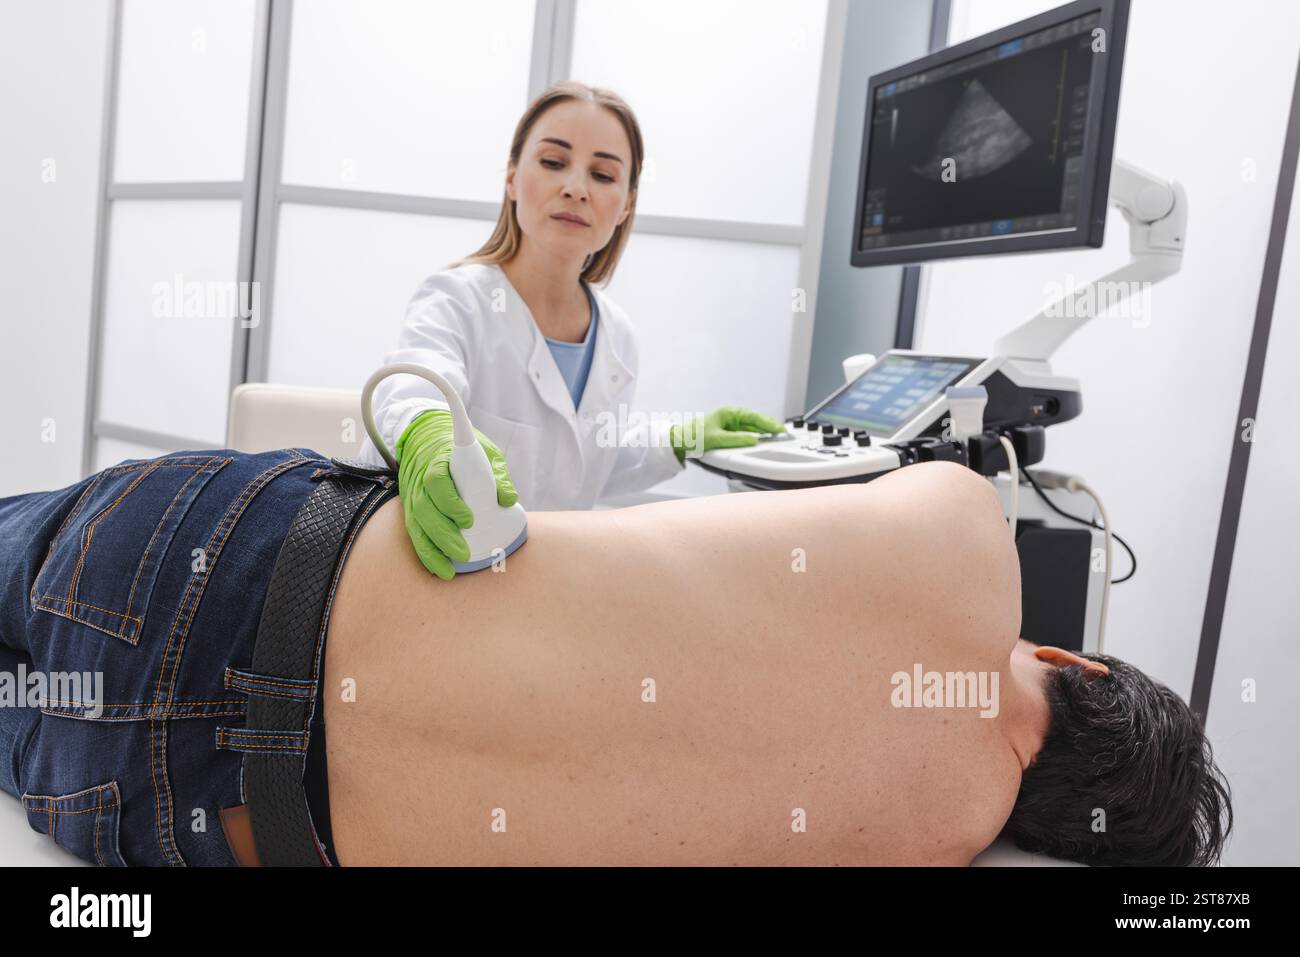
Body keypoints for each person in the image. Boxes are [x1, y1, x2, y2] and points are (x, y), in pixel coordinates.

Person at [0, 450, 1231, 866]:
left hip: (220, 557)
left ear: (1082, 663)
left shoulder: (964, 530)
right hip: (194, 811)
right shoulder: (925, 847)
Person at [359, 80, 783, 581]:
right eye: (554, 162)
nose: (576, 188)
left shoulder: (616, 335)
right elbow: (416, 386)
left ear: (626, 204)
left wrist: (684, 438)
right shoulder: (457, 299)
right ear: (513, 178)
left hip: (547, 584)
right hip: (439, 576)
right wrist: (425, 430)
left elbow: (585, 457)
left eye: (603, 174)